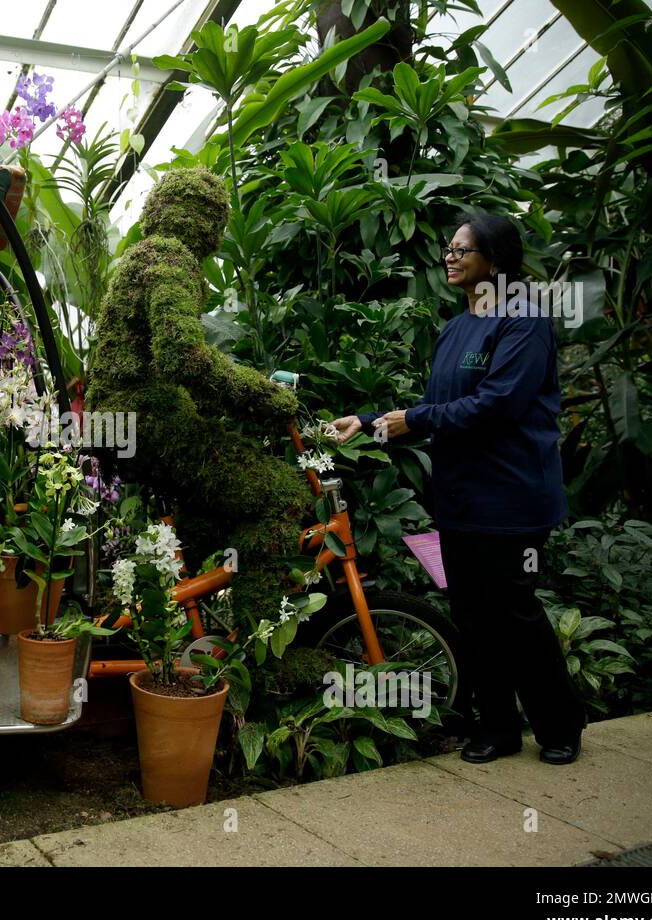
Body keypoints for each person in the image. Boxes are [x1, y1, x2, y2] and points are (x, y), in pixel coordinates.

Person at [332, 212, 586, 765]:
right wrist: (371, 420)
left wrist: (411, 420)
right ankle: (497, 730)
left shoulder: (524, 321)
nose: (449, 257)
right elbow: (433, 410)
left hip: (512, 498)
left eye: (462, 250)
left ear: (495, 261)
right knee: (471, 615)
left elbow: (496, 406)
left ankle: (560, 726)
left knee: (515, 610)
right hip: (461, 498)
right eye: (448, 249)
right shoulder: (455, 328)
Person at [86, 167, 312, 627]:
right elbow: (182, 355)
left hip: (122, 420)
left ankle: (177, 620)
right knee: (284, 497)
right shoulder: (172, 259)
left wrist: (225, 401)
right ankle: (261, 652)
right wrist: (263, 397)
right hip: (146, 418)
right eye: (212, 215)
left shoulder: (142, 256)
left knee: (214, 505)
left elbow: (161, 361)